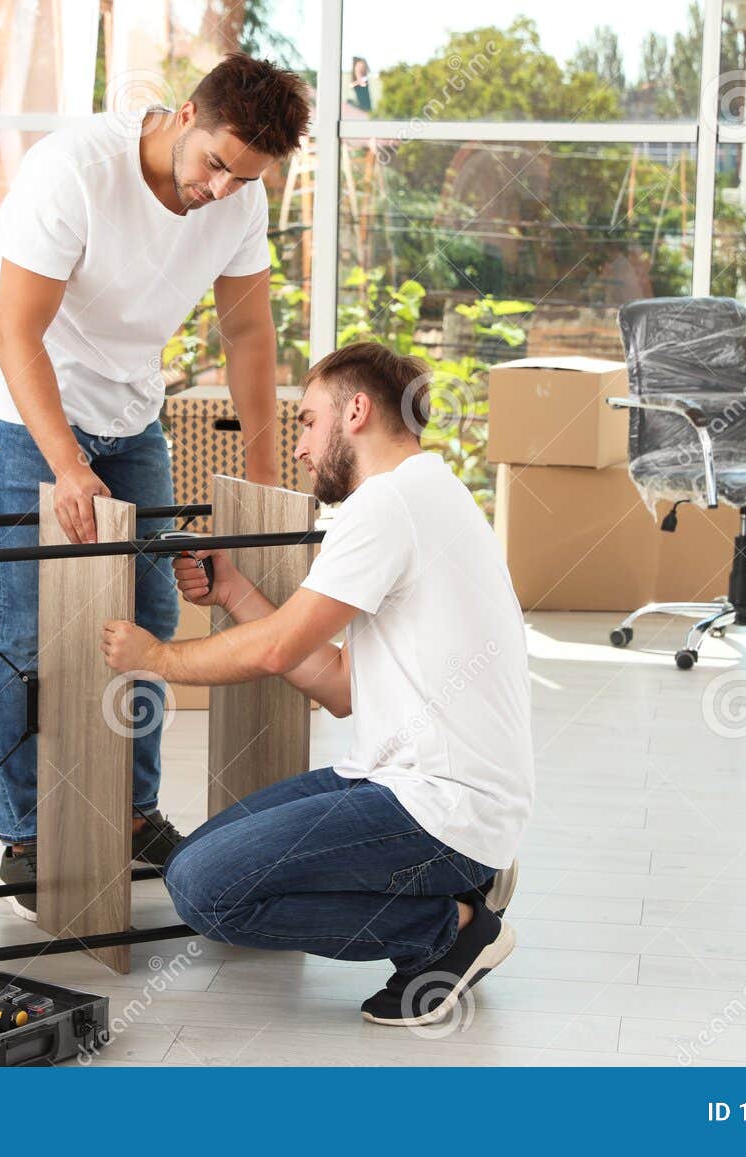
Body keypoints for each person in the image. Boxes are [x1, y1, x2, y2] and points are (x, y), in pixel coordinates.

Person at [100, 341, 534, 1026]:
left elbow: (278, 649)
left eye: (307, 421)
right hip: (405, 783)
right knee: (192, 861)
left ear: (356, 412)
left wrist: (155, 657)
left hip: (438, 804)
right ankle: (465, 878)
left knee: (205, 890)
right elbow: (337, 686)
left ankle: (446, 932)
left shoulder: (387, 504)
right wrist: (235, 593)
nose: (299, 446)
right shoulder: (429, 493)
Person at [0, 55, 312, 918]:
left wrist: (262, 486)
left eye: (244, 178)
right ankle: (27, 834)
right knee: (29, 626)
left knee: (153, 614)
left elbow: (248, 334)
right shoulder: (74, 171)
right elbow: (16, 334)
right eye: (216, 164)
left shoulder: (239, 197)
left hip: (131, 412)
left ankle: (131, 812)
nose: (221, 189)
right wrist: (65, 462)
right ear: (185, 114)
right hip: (32, 413)